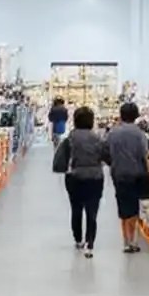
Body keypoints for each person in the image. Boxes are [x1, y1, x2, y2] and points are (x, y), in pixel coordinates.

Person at [51, 106, 107, 258]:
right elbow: (107, 157)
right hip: (95, 178)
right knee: (92, 212)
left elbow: (60, 160)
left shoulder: (70, 138)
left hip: (74, 177)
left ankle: (78, 239)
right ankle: (90, 244)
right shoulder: (98, 139)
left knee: (76, 209)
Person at [105, 101, 149, 253]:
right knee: (134, 208)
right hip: (136, 173)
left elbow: (106, 152)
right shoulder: (140, 134)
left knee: (123, 207)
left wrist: (114, 163)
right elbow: (144, 155)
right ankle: (133, 241)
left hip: (119, 174)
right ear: (136, 116)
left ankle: (126, 241)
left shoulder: (112, 133)